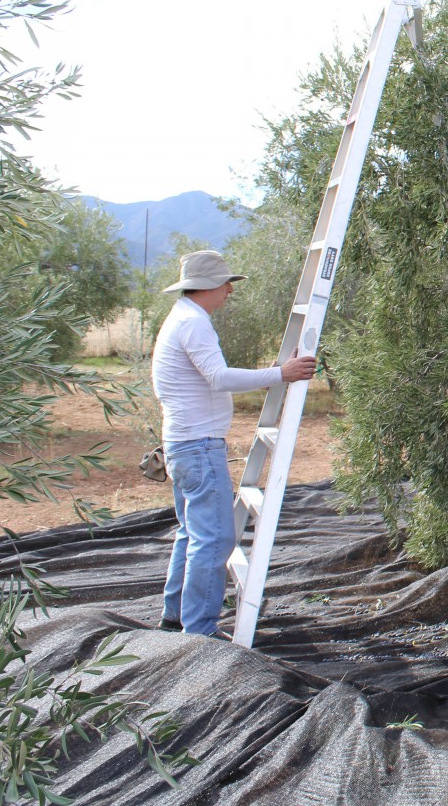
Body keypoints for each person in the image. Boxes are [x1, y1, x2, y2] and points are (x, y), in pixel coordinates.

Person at [151, 250, 316, 638]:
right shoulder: (194, 323)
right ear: (207, 285)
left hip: (184, 444)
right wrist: (281, 374)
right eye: (226, 283)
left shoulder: (183, 319)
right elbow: (218, 377)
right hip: (197, 446)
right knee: (215, 540)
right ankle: (200, 634)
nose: (229, 290)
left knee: (192, 533)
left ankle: (174, 618)